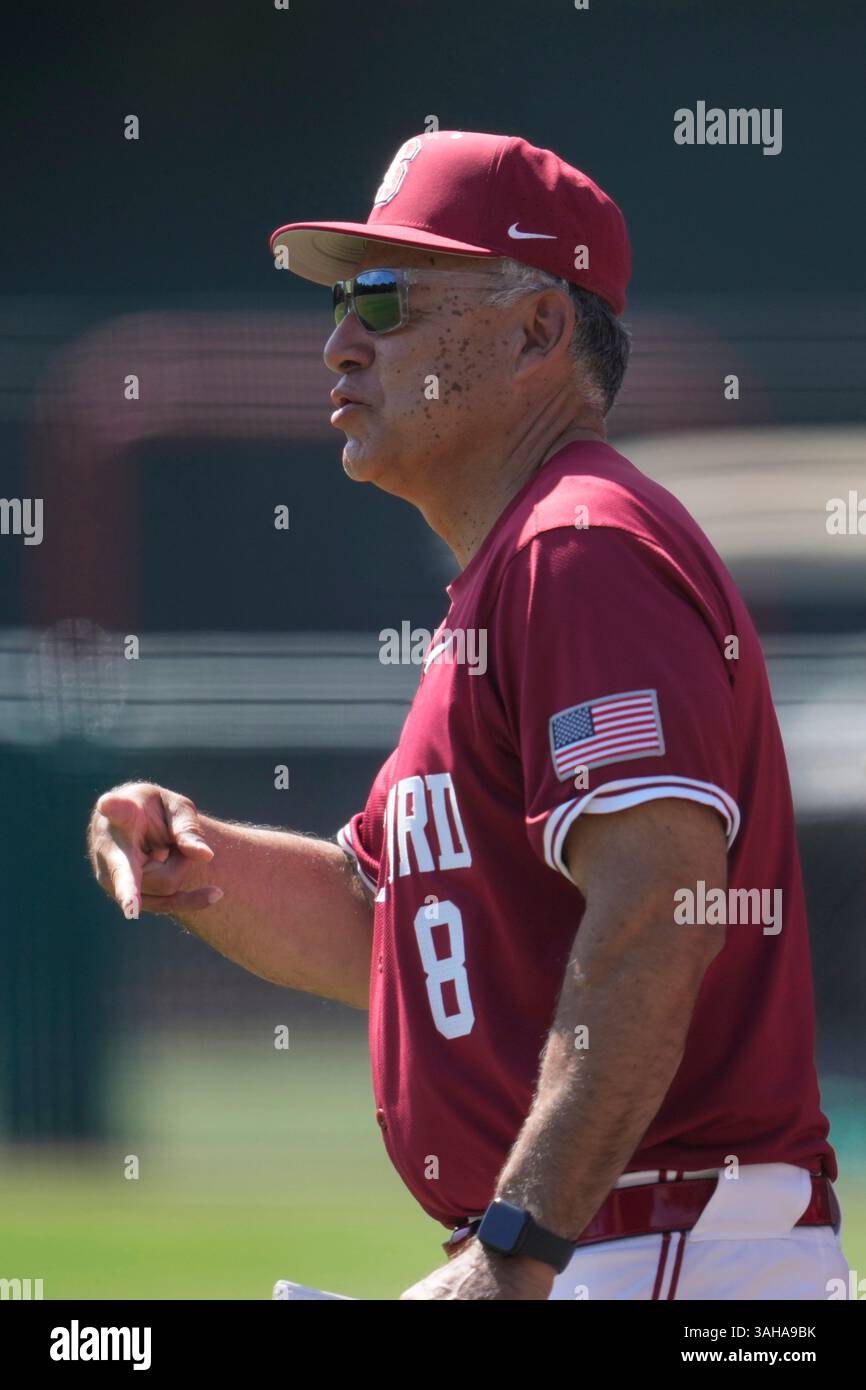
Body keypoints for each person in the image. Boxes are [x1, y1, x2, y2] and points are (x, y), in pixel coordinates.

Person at [88, 131, 848, 1300]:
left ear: (540, 330)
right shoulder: (512, 570)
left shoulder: (578, 546)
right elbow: (376, 920)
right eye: (342, 299)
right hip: (610, 1244)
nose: (339, 338)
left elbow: (657, 907)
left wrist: (516, 1246)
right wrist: (197, 862)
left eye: (386, 299)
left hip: (662, 1249)